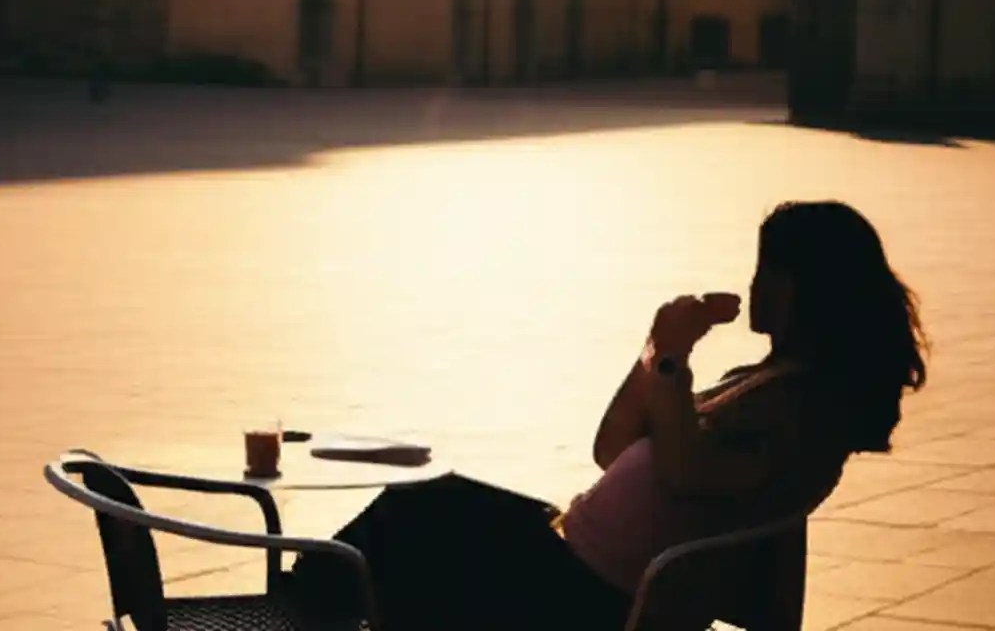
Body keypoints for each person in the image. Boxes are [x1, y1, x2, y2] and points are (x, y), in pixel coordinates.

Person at [288, 201, 928, 630]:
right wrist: (656, 351)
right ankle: (317, 599)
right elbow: (612, 444)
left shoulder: (805, 406)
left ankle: (305, 603)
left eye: (768, 272)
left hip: (595, 600)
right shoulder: (769, 382)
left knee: (419, 512)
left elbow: (685, 473)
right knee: (431, 506)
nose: (754, 285)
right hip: (576, 563)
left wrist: (674, 360)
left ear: (801, 289)